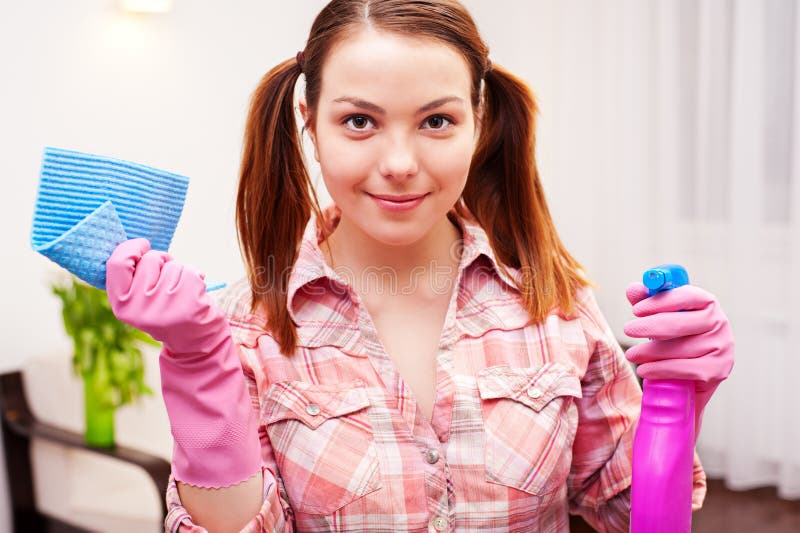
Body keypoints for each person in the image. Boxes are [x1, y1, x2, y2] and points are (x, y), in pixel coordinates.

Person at [105, 1, 735, 531]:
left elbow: (636, 516)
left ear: (478, 120)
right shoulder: (249, 329)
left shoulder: (554, 305)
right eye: (359, 121)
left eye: (437, 120)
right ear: (310, 125)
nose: (400, 162)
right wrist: (198, 369)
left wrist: (677, 404)